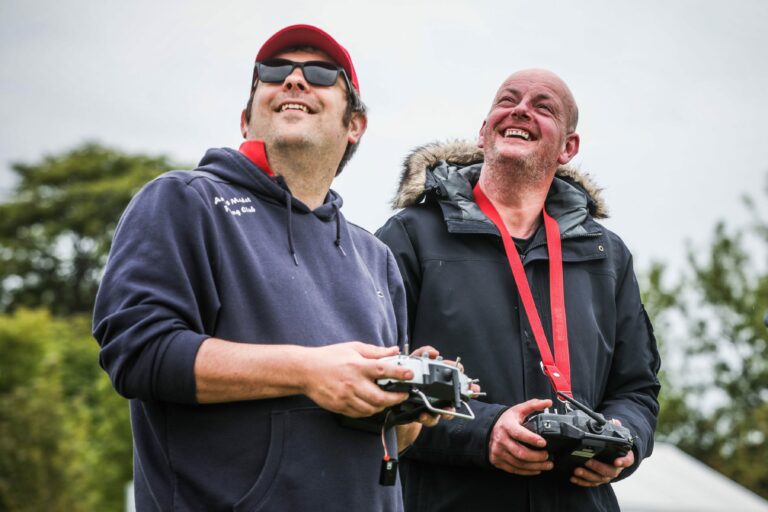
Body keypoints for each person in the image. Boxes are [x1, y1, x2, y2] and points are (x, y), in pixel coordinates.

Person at [93, 24, 435, 512]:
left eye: (319, 73)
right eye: (273, 73)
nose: (293, 81)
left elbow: (384, 444)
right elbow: (137, 352)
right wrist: (307, 370)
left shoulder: (374, 256)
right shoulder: (185, 201)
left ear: (354, 123)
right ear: (245, 116)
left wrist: (408, 410)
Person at [376, 69, 661, 511]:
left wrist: (625, 439)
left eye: (543, 106)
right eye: (507, 100)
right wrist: (484, 432)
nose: (520, 110)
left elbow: (637, 387)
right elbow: (375, 377)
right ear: (484, 131)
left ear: (569, 147)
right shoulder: (410, 236)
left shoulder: (606, 255)